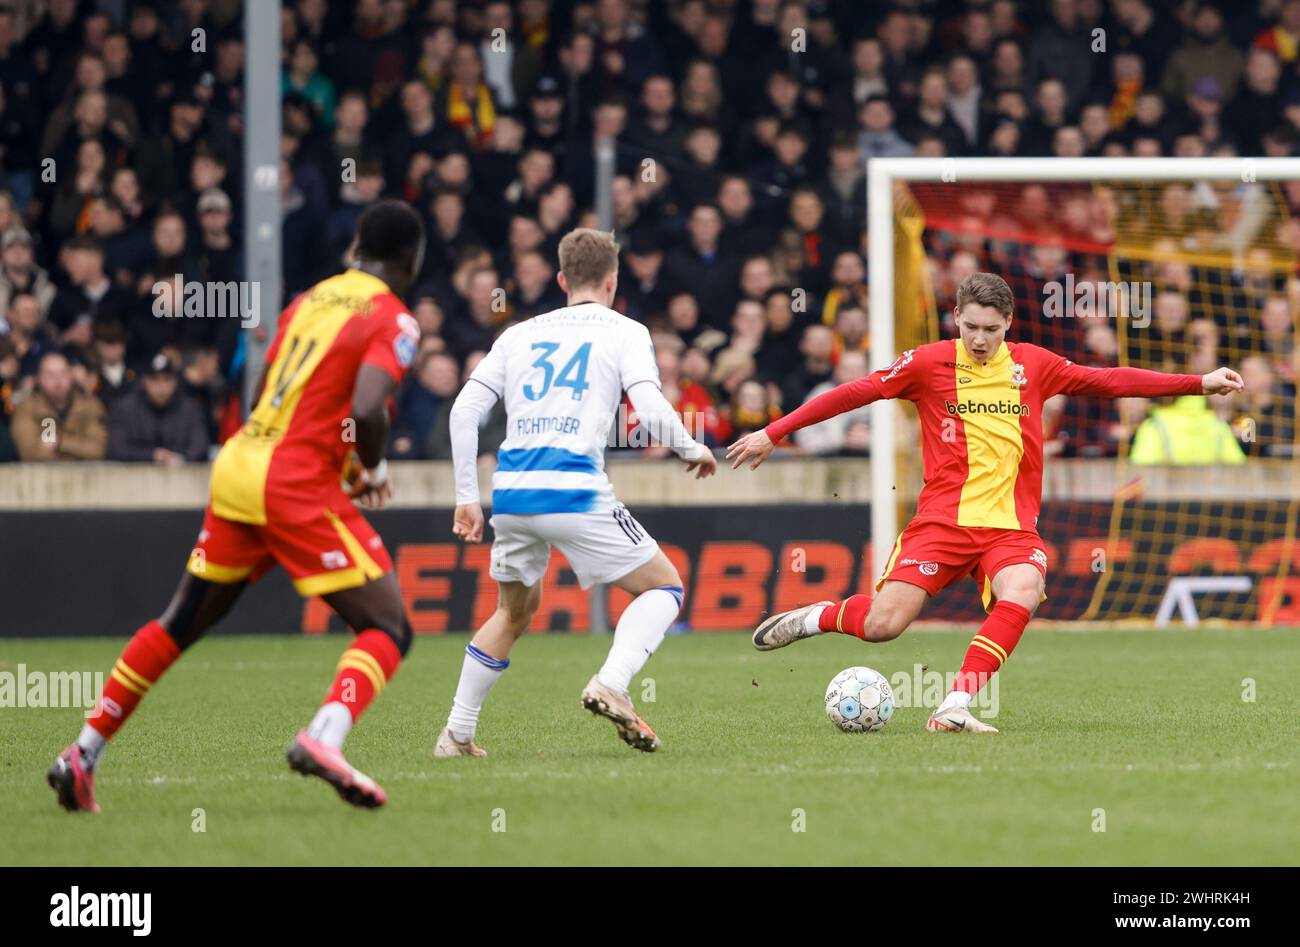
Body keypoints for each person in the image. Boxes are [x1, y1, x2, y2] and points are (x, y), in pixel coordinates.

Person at [727, 272, 1244, 734]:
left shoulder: (1033, 366)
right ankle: (816, 617)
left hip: (1010, 530)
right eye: (970, 326)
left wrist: (1198, 384)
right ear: (956, 317)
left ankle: (954, 704)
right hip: (941, 524)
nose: (978, 339)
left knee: (1025, 585)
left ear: (1008, 324)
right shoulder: (928, 363)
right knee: (882, 627)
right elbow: (854, 392)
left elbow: (1106, 381)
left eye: (990, 329)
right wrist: (775, 432)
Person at [47, 201, 426, 813]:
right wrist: (371, 467)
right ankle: (322, 738)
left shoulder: (308, 299)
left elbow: (264, 385)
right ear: (412, 260)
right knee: (389, 626)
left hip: (241, 464)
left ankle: (83, 752)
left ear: (356, 246)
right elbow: (366, 407)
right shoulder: (394, 318)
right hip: (293, 481)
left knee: (181, 623)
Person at [438, 227, 717, 757]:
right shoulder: (626, 330)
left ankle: (456, 735)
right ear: (612, 280)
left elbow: (464, 411)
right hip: (574, 490)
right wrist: (691, 447)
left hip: (514, 495)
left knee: (513, 614)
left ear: (563, 278)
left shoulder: (518, 333)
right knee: (664, 588)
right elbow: (651, 408)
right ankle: (612, 681)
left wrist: (466, 496)